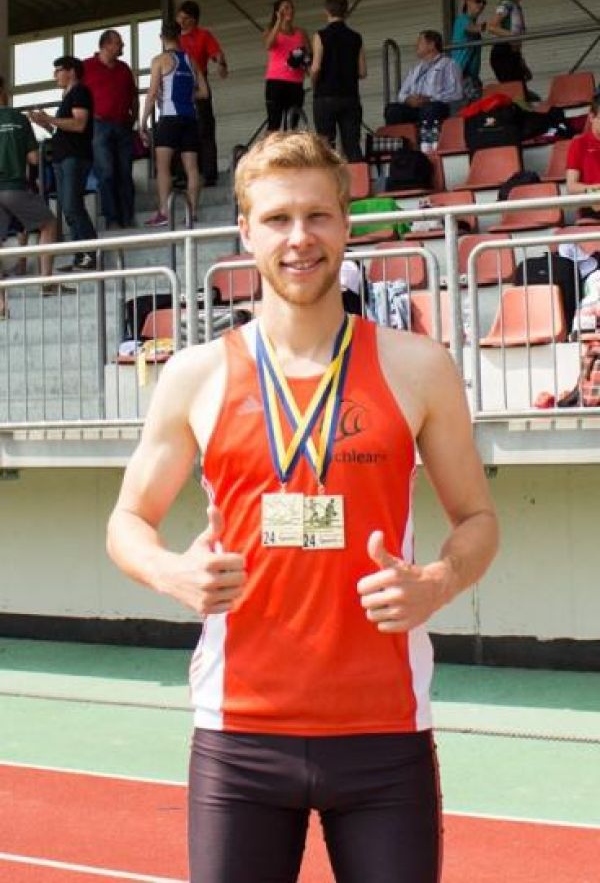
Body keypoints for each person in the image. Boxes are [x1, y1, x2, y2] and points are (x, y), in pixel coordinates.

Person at [107, 130, 499, 883]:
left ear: (347, 226)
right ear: (245, 231)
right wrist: (170, 573)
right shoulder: (194, 376)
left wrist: (440, 582)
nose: (300, 239)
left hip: (385, 735)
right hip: (240, 739)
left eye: (318, 217)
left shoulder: (419, 366)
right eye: (279, 219)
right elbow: (127, 522)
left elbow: (478, 521)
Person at [29, 56, 97, 272]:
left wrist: (49, 119)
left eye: (59, 70)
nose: (55, 75)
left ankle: (89, 253)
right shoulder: (68, 95)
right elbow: (63, 129)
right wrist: (45, 124)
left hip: (74, 158)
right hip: (63, 158)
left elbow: (79, 124)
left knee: (72, 206)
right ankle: (81, 256)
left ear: (72, 72)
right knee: (68, 208)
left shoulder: (79, 92)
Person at [140, 20, 208, 228]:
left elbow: (152, 94)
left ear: (161, 38)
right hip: (190, 117)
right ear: (180, 36)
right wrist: (187, 94)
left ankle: (164, 212)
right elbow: (204, 93)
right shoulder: (191, 60)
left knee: (163, 167)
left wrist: (142, 122)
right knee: (192, 168)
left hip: (169, 117)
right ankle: (193, 212)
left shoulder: (160, 60)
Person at [0, 76, 58, 313]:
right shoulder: (17, 118)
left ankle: (1, 304)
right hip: (13, 187)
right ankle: (46, 282)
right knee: (49, 224)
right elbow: (34, 158)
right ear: (2, 90)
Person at [83, 29, 138, 229]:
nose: (122, 46)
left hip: (123, 125)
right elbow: (74, 94)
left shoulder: (124, 68)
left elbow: (133, 96)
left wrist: (134, 118)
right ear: (106, 45)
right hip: (98, 126)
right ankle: (112, 219)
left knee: (125, 172)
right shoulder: (86, 67)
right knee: (106, 172)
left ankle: (127, 217)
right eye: (119, 43)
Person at [176, 0, 228, 187]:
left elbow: (217, 54)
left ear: (194, 20)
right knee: (181, 128)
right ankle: (183, 175)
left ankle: (209, 173)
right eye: (180, 18)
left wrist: (221, 63)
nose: (182, 22)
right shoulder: (175, 38)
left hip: (199, 81)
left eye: (186, 19)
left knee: (205, 127)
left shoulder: (203, 35)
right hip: (179, 83)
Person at [310, 0, 366, 162]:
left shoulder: (320, 36)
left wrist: (315, 84)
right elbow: (362, 71)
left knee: (326, 146)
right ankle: (360, 185)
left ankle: (331, 186)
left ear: (327, 11)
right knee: (352, 145)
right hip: (350, 96)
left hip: (325, 96)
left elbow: (316, 67)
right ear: (346, 12)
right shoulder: (356, 37)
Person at [384, 30, 463, 129]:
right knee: (392, 110)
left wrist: (429, 99)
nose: (416, 45)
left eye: (420, 42)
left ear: (431, 45)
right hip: (415, 107)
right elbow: (402, 93)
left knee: (429, 109)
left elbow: (456, 93)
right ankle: (399, 143)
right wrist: (408, 99)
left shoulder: (449, 64)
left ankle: (429, 143)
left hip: (436, 107)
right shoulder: (416, 69)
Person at [263, 0, 310, 132]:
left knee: (292, 123)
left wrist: (304, 64)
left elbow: (308, 55)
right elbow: (268, 45)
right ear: (277, 12)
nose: (289, 10)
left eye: (291, 7)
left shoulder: (300, 32)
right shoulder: (271, 31)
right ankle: (271, 152)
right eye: (285, 8)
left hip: (295, 81)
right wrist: (278, 21)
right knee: (274, 123)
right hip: (276, 81)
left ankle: (289, 151)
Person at [488, 0, 536, 98]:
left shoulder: (516, 6)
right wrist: (513, 36)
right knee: (516, 93)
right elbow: (492, 26)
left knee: (521, 93)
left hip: (513, 54)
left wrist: (521, 61)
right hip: (504, 53)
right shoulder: (507, 3)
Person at [566, 97, 600, 221]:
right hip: (592, 207)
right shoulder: (579, 143)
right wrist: (596, 189)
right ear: (591, 117)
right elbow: (571, 186)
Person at [451, 0, 487, 103]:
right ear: (467, 2)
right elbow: (472, 28)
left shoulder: (470, 22)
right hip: (462, 75)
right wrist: (489, 26)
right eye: (478, 1)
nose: (481, 5)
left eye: (484, 2)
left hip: (471, 76)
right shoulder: (462, 20)